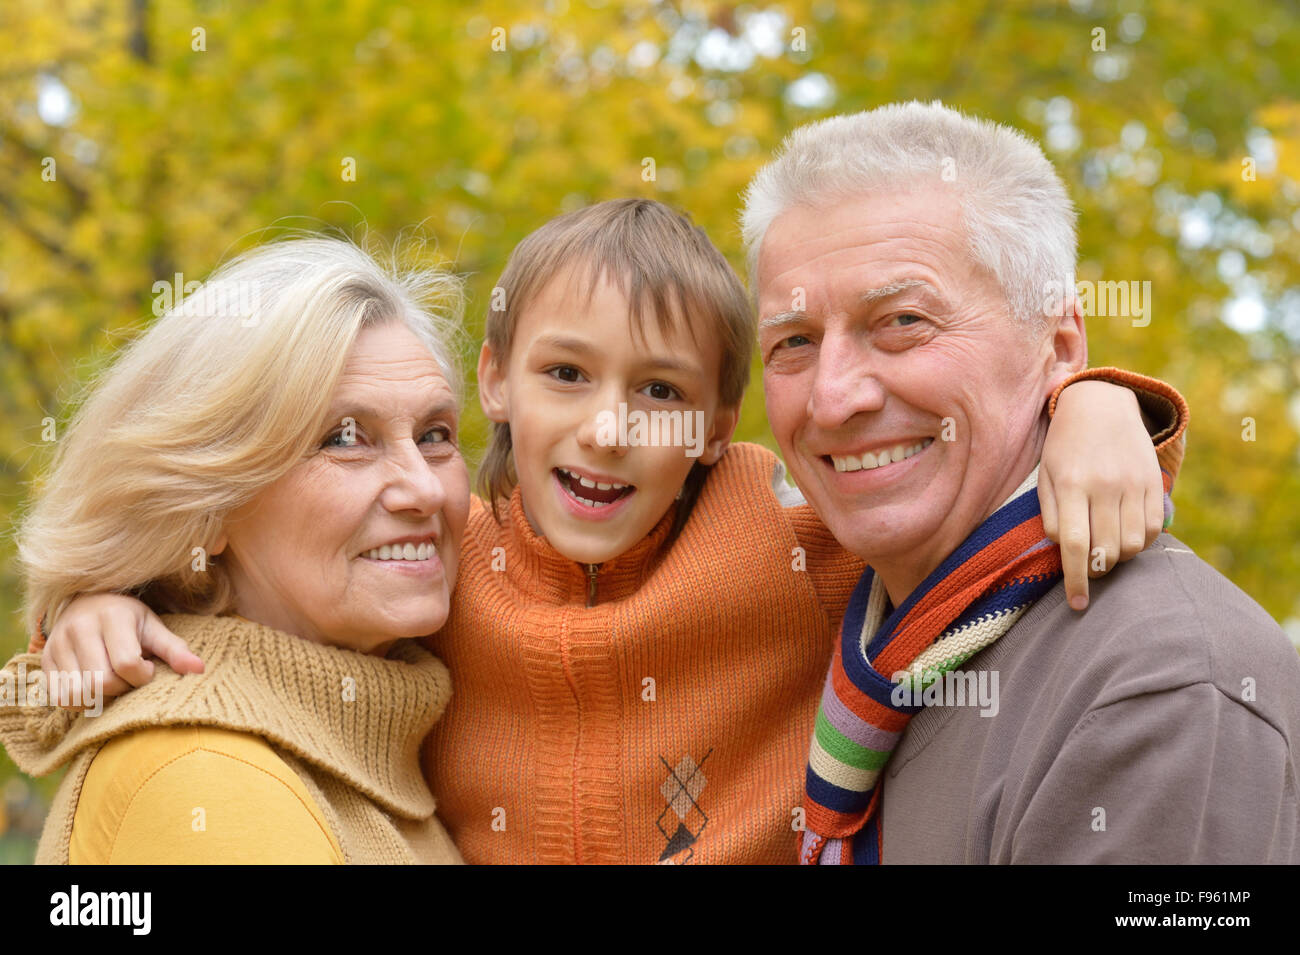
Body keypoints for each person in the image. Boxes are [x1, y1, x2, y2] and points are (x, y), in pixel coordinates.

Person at [24, 199, 1186, 864]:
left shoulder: (785, 542)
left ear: (716, 425)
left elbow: (959, 515)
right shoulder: (447, 574)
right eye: (567, 374)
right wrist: (109, 601)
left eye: (428, 438)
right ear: (502, 382)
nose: (610, 427)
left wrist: (1091, 407)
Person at [740, 100, 1300, 863]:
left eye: (903, 321)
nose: (833, 398)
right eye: (794, 341)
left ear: (1059, 344)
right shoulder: (806, 622)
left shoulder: (1159, 682)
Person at [0, 236, 468, 863]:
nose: (425, 487)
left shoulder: (379, 725)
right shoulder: (203, 775)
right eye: (346, 439)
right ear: (210, 504)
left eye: (435, 434)